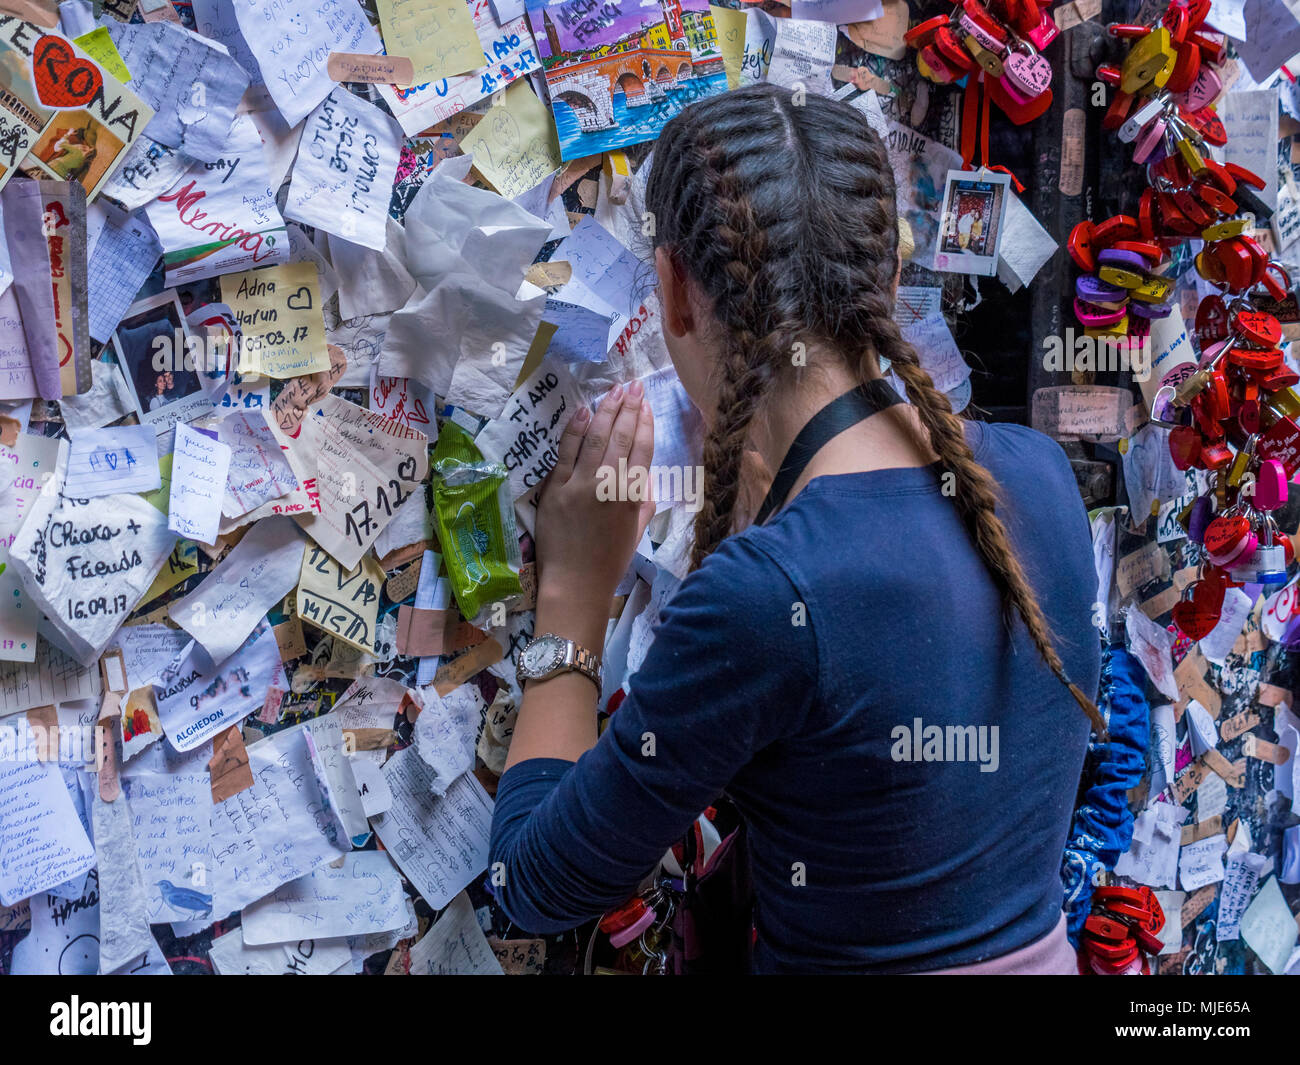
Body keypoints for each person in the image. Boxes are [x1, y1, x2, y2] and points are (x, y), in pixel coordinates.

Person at [489, 83, 1103, 974]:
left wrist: (573, 602)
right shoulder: (1039, 476)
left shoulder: (767, 594)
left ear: (673, 293)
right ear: (888, 280)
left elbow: (532, 882)